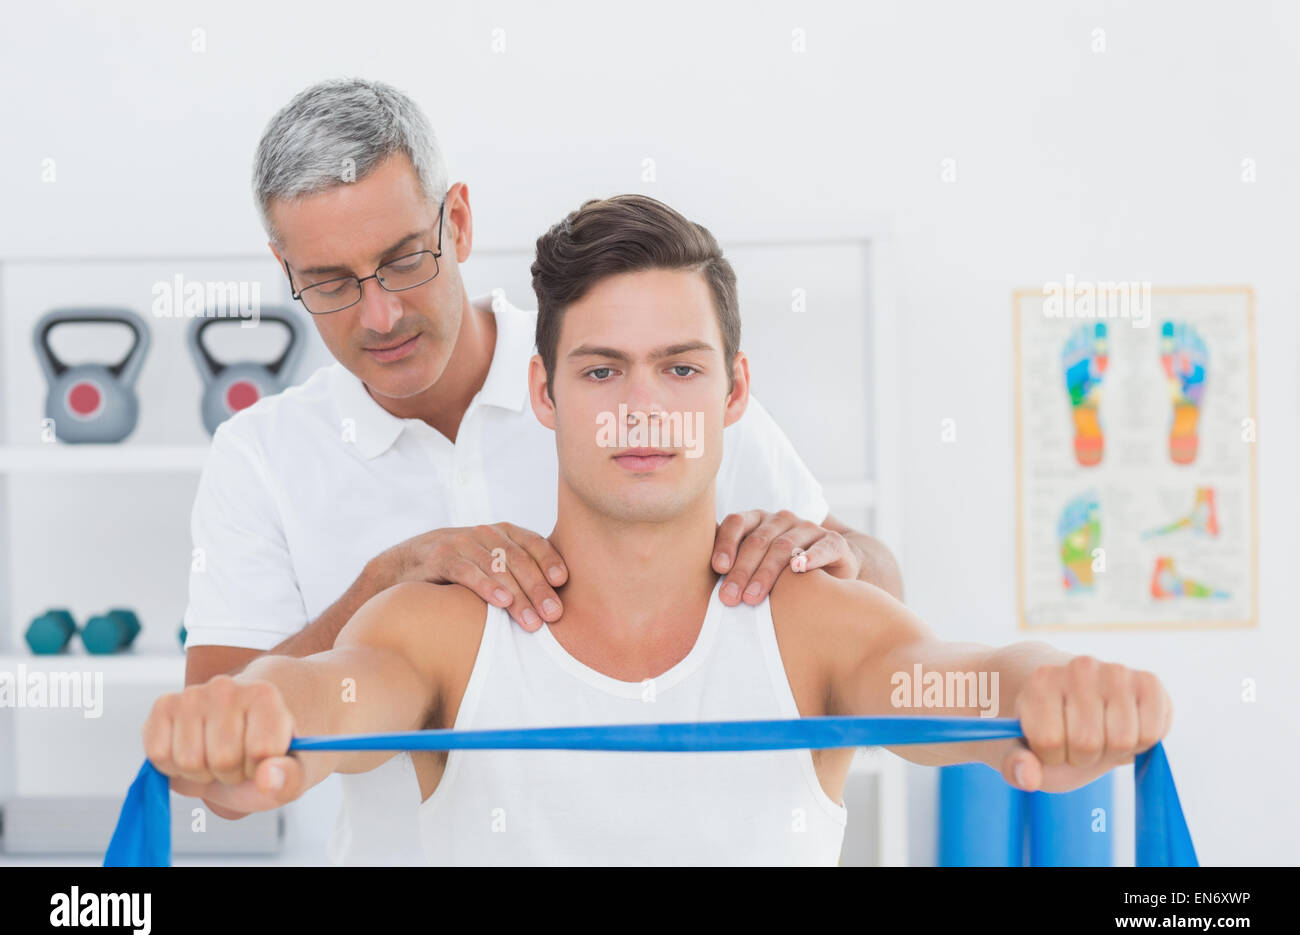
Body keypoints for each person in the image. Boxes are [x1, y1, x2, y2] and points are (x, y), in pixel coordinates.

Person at [152, 194, 1174, 865]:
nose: (641, 405)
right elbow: (321, 694)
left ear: (734, 392)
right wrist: (248, 711)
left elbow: (952, 678)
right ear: (544, 393)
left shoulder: (810, 621)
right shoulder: (441, 627)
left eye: (678, 367)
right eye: (601, 370)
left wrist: (1045, 682)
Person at [183, 78, 903, 863]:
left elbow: (874, 600)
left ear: (455, 222)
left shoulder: (621, 354)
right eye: (329, 283)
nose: (379, 315)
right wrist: (386, 579)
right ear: (284, 268)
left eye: (402, 261)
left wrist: (836, 555)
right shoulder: (260, 455)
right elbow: (215, 776)